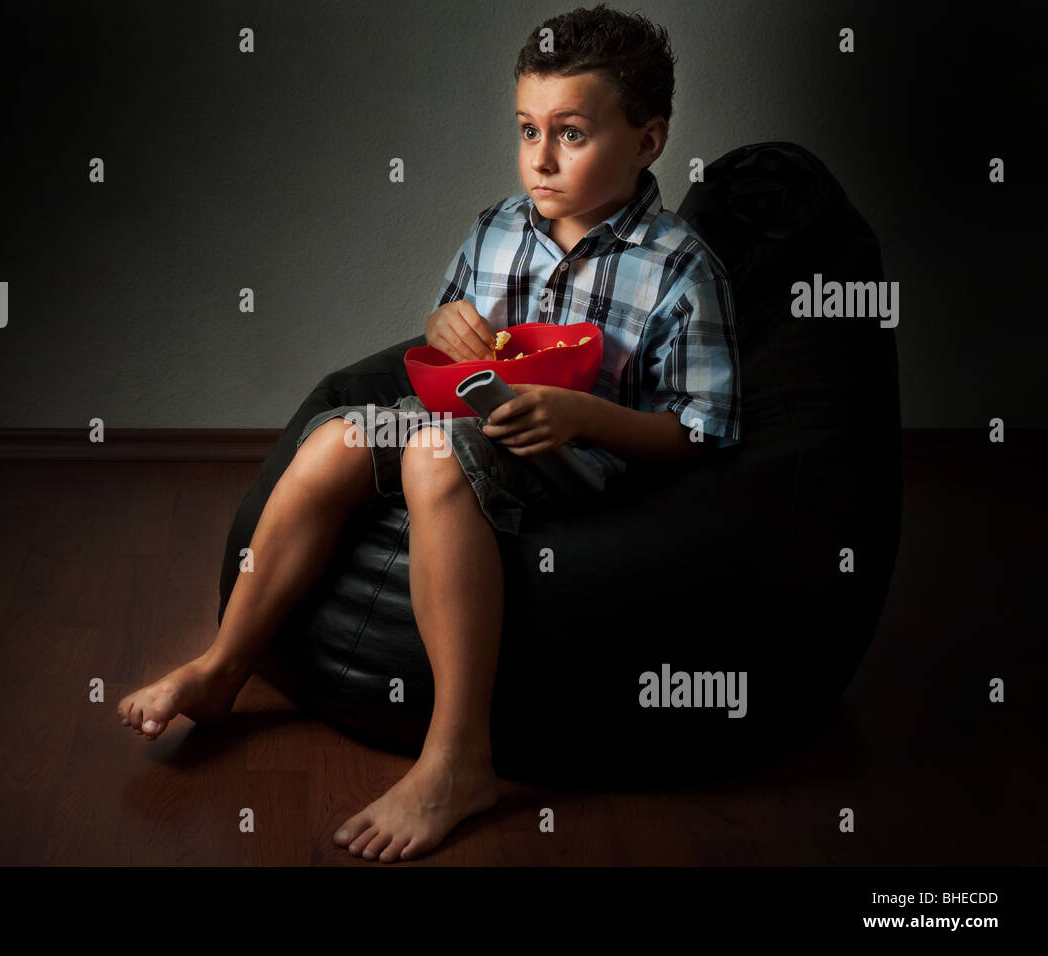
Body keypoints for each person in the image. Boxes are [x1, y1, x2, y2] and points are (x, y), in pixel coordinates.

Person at [118, 3, 741, 863]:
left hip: (583, 460)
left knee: (434, 455)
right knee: (334, 440)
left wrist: (585, 414)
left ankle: (457, 758)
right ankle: (225, 666)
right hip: (465, 421)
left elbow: (704, 435)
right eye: (528, 130)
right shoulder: (497, 228)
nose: (540, 158)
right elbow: (445, 341)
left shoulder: (680, 268)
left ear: (647, 141)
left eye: (571, 134)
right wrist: (444, 328)